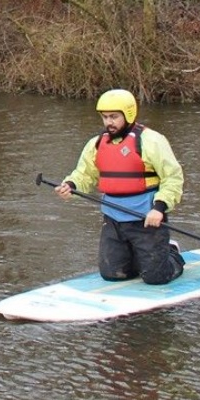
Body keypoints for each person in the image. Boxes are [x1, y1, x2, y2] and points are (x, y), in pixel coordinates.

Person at [54, 89, 185, 285]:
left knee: (156, 278)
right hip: (113, 220)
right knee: (112, 274)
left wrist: (159, 208)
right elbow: (85, 174)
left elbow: (173, 178)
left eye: (114, 117)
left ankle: (171, 252)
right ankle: (139, 255)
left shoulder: (152, 141)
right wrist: (71, 185)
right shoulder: (96, 144)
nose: (109, 122)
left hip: (147, 219)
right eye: (105, 117)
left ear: (129, 114)